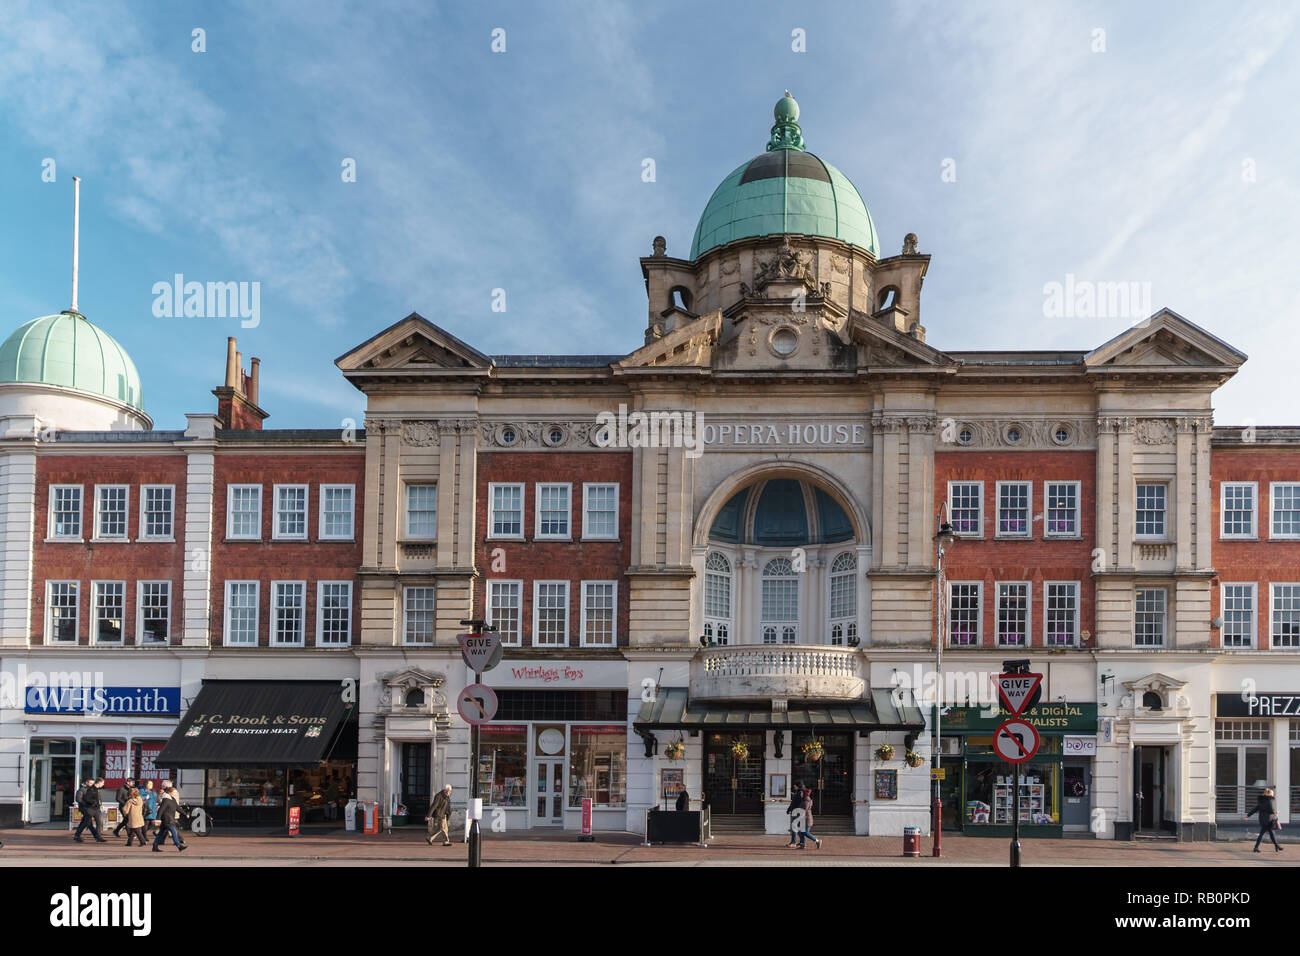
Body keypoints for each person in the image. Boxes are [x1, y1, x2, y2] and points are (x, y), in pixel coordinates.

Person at [152, 786, 187, 852]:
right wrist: (158, 819)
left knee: (160, 833)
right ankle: (179, 845)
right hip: (167, 819)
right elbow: (161, 810)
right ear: (170, 792)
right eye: (174, 792)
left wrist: (185, 814)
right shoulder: (166, 800)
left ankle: (155, 846)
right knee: (174, 831)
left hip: (170, 819)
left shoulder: (172, 799)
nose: (175, 793)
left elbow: (177, 808)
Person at [1248, 787, 1283, 853]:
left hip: (1262, 819)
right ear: (1269, 794)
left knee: (1271, 833)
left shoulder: (1261, 801)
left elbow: (1256, 809)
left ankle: (1276, 846)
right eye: (1272, 794)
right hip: (1268, 820)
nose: (1273, 795)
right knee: (1263, 834)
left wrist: (1248, 815)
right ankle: (1256, 848)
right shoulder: (1269, 801)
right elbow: (1271, 810)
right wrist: (1276, 812)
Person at [73, 777, 106, 843]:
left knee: (87, 822)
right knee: (87, 823)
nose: (92, 784)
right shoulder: (82, 789)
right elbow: (78, 799)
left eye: (92, 783)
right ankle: (96, 836)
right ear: (86, 782)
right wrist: (87, 803)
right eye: (90, 783)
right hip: (85, 808)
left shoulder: (93, 789)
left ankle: (97, 836)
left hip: (93, 808)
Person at [798, 785, 821, 850]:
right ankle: (803, 844)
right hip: (805, 819)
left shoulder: (806, 801)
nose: (801, 794)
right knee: (800, 832)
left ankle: (817, 841)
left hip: (806, 820)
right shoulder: (806, 800)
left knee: (805, 832)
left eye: (801, 793)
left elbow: (803, 811)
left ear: (804, 794)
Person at [786, 782, 804, 848]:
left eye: (795, 786)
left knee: (794, 828)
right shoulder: (801, 793)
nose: (794, 787)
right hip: (799, 812)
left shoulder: (798, 793)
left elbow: (794, 803)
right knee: (800, 828)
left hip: (796, 812)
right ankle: (802, 842)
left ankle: (793, 842)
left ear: (797, 786)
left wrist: (789, 809)